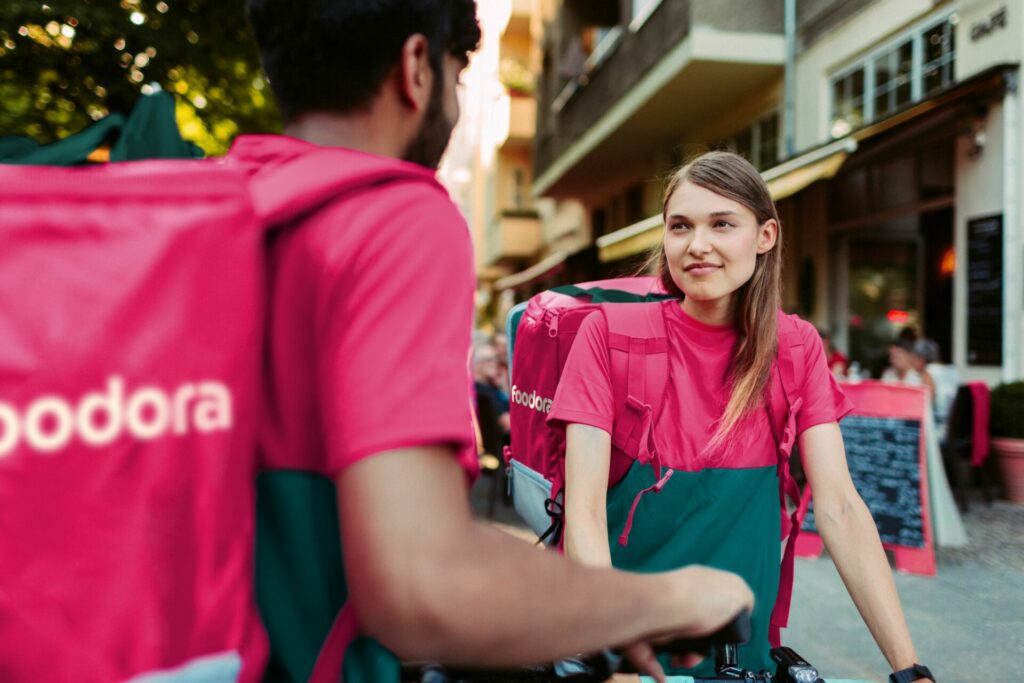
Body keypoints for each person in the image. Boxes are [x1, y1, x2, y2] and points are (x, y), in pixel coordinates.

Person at [241, 2, 754, 681]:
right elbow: (423, 585)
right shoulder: (396, 218)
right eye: (458, 75)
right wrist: (671, 597)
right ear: (417, 67)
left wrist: (591, 608)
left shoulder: (231, 204)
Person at [550, 151, 933, 682]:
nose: (697, 244)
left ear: (765, 236)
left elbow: (841, 506)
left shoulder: (796, 347)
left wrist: (909, 669)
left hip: (740, 657)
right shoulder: (608, 337)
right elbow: (585, 513)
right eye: (679, 226)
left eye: (722, 224)